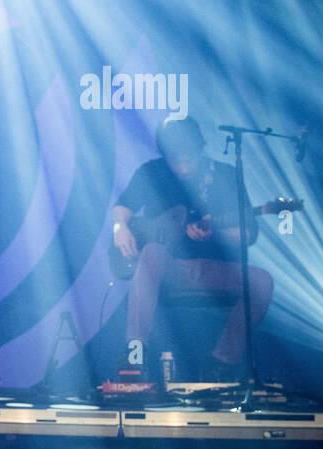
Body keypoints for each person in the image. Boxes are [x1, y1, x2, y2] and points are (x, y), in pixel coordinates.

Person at [112, 117, 273, 380]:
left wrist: (216, 233)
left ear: (201, 149)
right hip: (168, 268)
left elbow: (247, 234)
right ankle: (135, 353)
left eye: (190, 158)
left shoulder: (225, 175)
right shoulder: (152, 171)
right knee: (152, 251)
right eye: (177, 161)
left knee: (262, 281)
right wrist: (120, 228)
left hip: (212, 268)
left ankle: (223, 362)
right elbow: (122, 207)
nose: (184, 167)